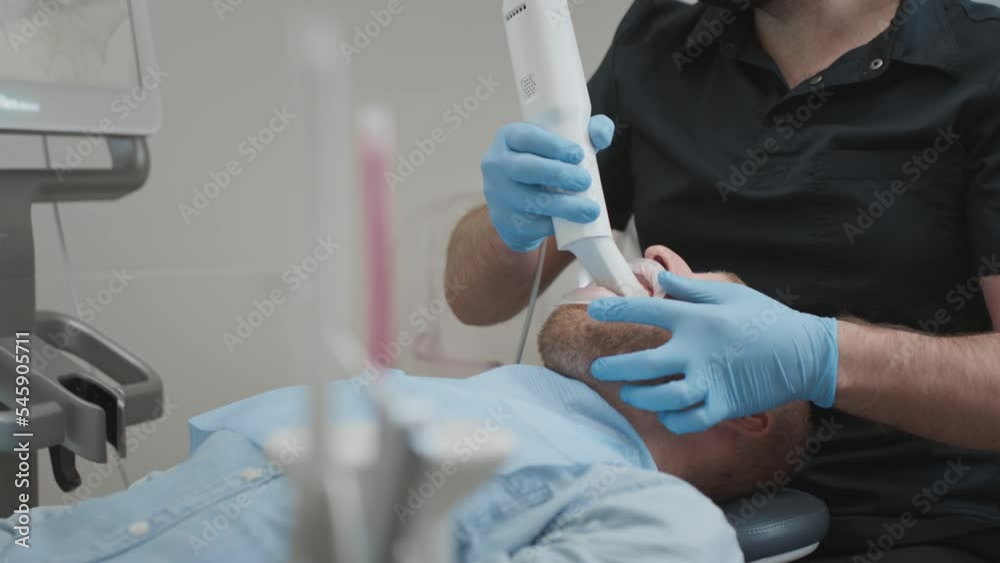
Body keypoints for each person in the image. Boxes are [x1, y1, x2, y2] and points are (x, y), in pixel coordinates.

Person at [445, 0, 1000, 560]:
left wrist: (821, 356)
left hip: (924, 523)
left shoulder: (983, 62)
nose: (655, 269)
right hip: (655, 493)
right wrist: (510, 224)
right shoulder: (660, 44)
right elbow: (474, 301)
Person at [0, 249, 809, 563]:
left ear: (749, 411)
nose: (657, 257)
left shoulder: (655, 517)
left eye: (693, 285)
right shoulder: (444, 405)